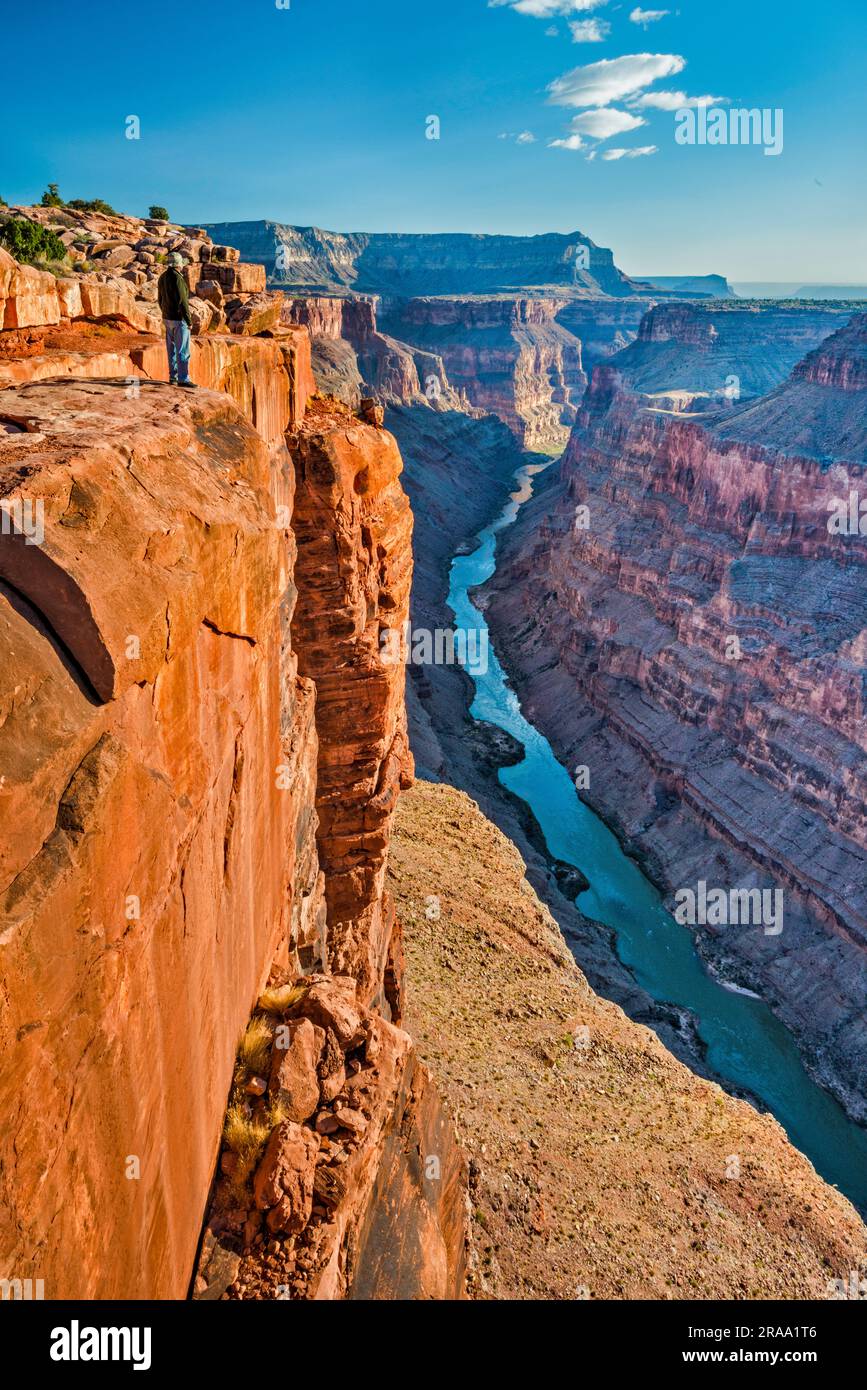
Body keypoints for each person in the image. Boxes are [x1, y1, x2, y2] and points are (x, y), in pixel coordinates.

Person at [157, 252, 196, 388]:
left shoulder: (162, 277)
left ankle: (172, 377)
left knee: (171, 349)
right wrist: (189, 321)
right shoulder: (178, 278)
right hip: (179, 319)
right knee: (183, 350)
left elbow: (160, 299)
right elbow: (183, 301)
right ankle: (183, 379)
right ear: (179, 264)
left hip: (167, 318)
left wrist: (165, 313)